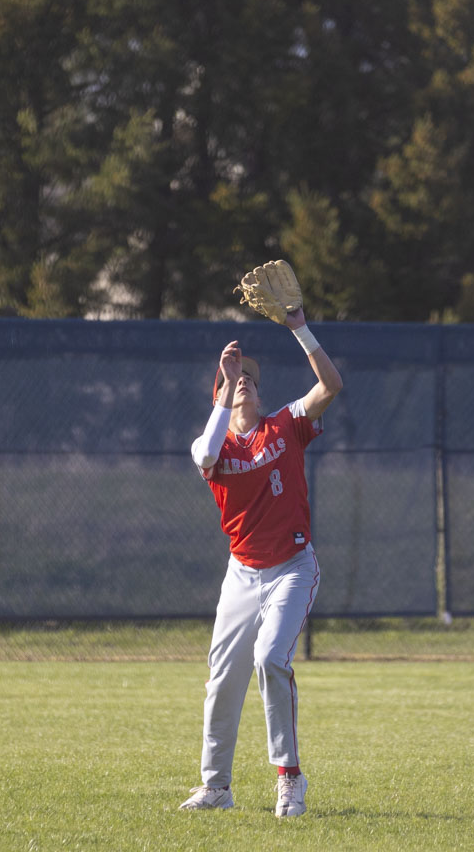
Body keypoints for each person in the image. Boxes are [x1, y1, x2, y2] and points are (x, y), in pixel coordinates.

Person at [179, 306, 342, 817]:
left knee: (271, 658)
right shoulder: (213, 446)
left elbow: (331, 385)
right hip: (242, 574)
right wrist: (225, 391)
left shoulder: (285, 425)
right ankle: (216, 788)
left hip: (293, 567)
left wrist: (298, 327)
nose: (243, 381)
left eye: (249, 377)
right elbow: (206, 453)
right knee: (223, 677)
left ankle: (289, 778)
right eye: (232, 379)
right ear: (219, 400)